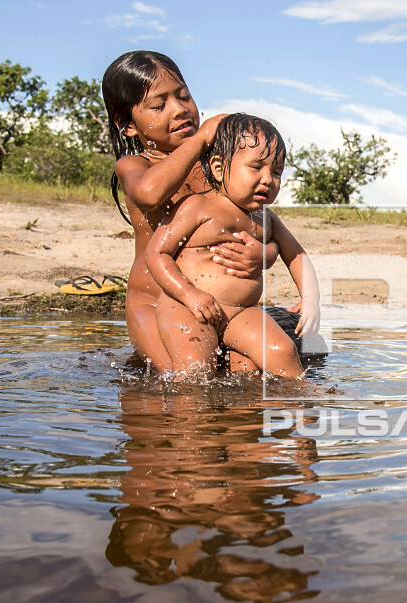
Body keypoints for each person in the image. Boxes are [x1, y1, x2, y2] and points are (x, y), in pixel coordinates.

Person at [102, 51, 281, 373]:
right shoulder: (135, 166)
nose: (180, 109)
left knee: (248, 372)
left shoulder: (215, 166)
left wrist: (265, 253)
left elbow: (258, 223)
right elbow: (150, 193)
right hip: (155, 302)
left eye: (184, 96)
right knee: (188, 377)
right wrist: (199, 140)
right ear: (127, 126)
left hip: (219, 304)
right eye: (159, 105)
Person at [145, 114, 319, 378]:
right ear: (218, 167)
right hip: (188, 307)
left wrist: (311, 298)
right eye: (256, 167)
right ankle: (190, 416)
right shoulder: (197, 206)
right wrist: (189, 293)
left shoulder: (266, 218)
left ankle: (304, 407)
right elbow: (156, 253)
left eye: (276, 172)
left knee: (281, 351)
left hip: (241, 313)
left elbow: (296, 254)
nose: (267, 179)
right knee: (195, 369)